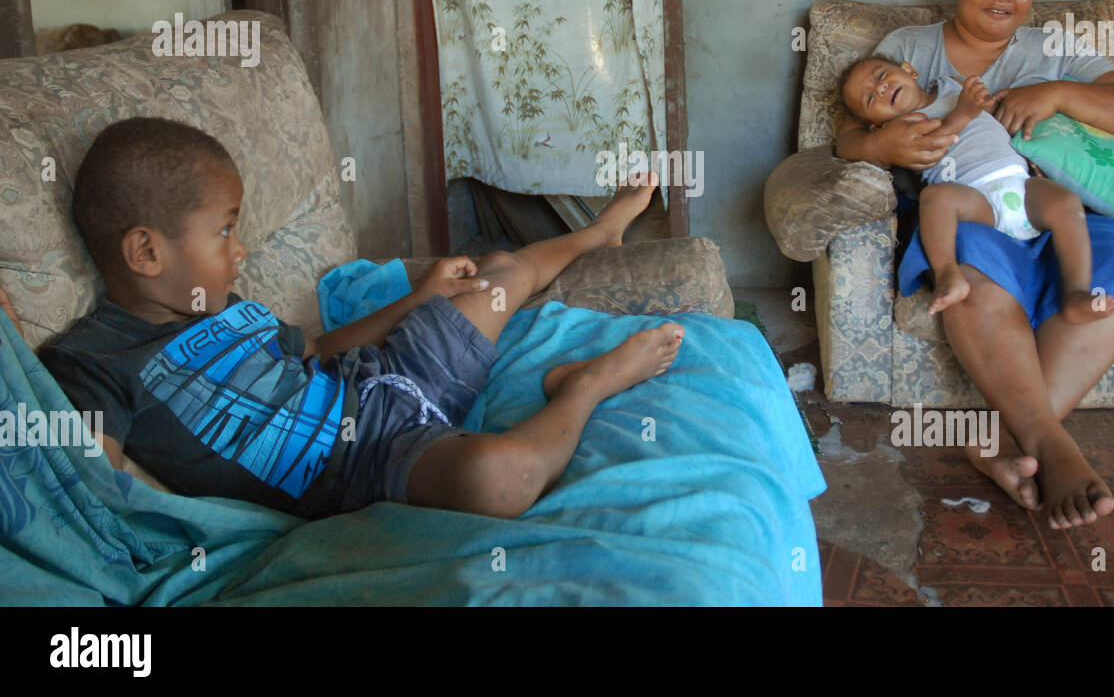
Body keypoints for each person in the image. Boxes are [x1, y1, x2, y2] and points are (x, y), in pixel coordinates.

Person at [38, 117, 683, 520]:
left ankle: (596, 233)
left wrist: (421, 297)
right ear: (146, 252)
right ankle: (586, 387)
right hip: (363, 465)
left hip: (381, 380)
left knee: (500, 277)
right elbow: (88, 491)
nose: (240, 251)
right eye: (225, 231)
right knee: (501, 478)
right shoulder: (94, 363)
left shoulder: (223, 309)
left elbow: (315, 350)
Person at [834, 0, 1114, 530]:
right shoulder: (911, 47)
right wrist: (887, 149)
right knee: (962, 248)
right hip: (969, 211)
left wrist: (1058, 92)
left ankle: (1012, 447)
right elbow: (848, 132)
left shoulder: (1055, 49)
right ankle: (1053, 448)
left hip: (1040, 208)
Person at [840, 55, 1114, 323]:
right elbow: (935, 142)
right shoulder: (901, 128)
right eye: (869, 98)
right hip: (973, 196)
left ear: (909, 70)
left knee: (1065, 203)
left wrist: (994, 109)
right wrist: (962, 112)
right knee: (936, 198)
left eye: (881, 75)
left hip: (1018, 181)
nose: (880, 88)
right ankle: (948, 273)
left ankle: (1076, 293)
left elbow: (990, 116)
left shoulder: (949, 83)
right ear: (876, 126)